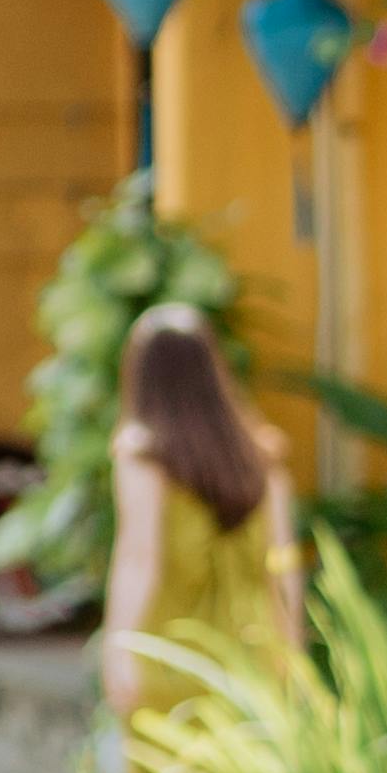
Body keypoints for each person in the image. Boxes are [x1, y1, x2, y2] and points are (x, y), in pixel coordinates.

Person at [102, 302, 302, 742]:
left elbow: (138, 558)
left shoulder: (144, 457)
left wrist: (118, 647)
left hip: (169, 661)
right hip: (251, 664)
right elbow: (283, 565)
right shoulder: (263, 459)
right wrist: (292, 649)